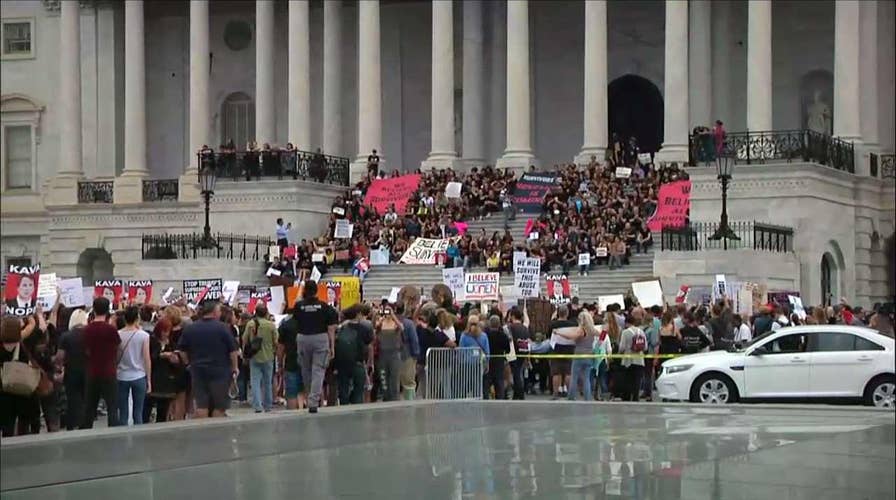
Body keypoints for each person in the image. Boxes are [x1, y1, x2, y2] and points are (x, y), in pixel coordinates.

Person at [176, 300, 240, 419]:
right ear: (215, 312)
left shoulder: (191, 328)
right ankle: (215, 432)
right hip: (220, 371)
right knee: (219, 406)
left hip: (198, 370)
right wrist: (235, 367)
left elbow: (181, 350)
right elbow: (233, 351)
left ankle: (202, 432)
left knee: (201, 405)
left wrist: (188, 363)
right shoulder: (223, 328)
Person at [292, 281, 339, 413]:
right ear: (317, 291)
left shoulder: (299, 306)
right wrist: (332, 346)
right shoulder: (324, 307)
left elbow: (294, 314)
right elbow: (331, 328)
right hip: (320, 338)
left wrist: (300, 292)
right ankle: (313, 401)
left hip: (302, 337)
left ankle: (308, 396)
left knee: (305, 370)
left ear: (305, 290)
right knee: (318, 370)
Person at [81, 297, 121, 428]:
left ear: (93, 309)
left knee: (89, 408)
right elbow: (118, 349)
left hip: (92, 371)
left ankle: (86, 432)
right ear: (107, 309)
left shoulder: (87, 329)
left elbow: (85, 350)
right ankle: (113, 434)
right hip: (109, 371)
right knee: (112, 407)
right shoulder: (111, 329)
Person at [0, 316, 41, 437]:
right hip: (24, 388)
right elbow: (36, 328)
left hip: (4, 390)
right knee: (25, 421)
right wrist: (30, 318)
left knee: (7, 424)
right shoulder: (25, 341)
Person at [115, 306, 151, 425]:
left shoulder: (118, 334)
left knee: (123, 411)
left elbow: (116, 356)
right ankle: (138, 437)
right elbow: (146, 358)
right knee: (138, 411)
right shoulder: (144, 335)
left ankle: (123, 434)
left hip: (121, 375)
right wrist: (149, 380)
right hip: (139, 375)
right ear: (137, 318)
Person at [334, 304, 373, 405]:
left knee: (343, 388)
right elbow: (369, 345)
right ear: (358, 314)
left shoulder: (340, 328)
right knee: (358, 390)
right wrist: (369, 362)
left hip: (342, 363)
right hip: (358, 362)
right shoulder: (365, 328)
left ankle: (344, 407)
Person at [56, 309, 88, 430]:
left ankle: (71, 424)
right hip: (88, 371)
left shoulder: (66, 336)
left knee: (72, 399)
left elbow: (60, 356)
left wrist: (58, 367)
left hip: (71, 371)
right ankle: (84, 424)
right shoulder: (89, 334)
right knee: (86, 399)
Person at [243, 304, 278, 413]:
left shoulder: (250, 324)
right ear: (266, 313)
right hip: (268, 356)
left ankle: (257, 406)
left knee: (255, 381)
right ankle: (268, 405)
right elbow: (276, 341)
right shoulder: (271, 325)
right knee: (268, 382)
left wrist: (245, 355)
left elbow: (245, 340)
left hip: (254, 356)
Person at [144, 319, 179, 423]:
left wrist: (175, 359)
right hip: (154, 376)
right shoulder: (152, 341)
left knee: (163, 410)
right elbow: (149, 357)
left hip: (167, 379)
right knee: (147, 407)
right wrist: (161, 355)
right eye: (164, 331)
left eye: (168, 331)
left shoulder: (172, 343)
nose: (166, 334)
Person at [375, 304, 405, 402]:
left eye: (389, 310)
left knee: (394, 378)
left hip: (394, 354)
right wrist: (379, 317)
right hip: (383, 354)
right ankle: (385, 397)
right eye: (386, 311)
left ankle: (394, 398)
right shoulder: (381, 322)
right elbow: (375, 328)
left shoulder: (395, 323)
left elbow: (401, 328)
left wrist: (393, 316)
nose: (387, 312)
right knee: (384, 378)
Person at [567, 310, 598, 401]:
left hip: (579, 354)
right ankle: (587, 398)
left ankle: (571, 397)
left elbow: (573, 337)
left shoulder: (581, 330)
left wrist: (559, 333)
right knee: (586, 378)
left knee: (574, 377)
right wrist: (598, 345)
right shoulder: (592, 330)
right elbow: (601, 335)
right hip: (589, 355)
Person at [549, 305, 578, 399]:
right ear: (567, 313)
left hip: (556, 349)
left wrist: (553, 318)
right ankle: (570, 393)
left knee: (556, 372)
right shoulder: (573, 324)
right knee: (568, 372)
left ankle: (555, 394)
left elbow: (548, 334)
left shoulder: (553, 324)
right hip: (569, 349)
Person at [458, 315, 490, 399]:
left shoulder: (464, 335)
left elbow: (461, 350)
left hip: (466, 363)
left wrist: (460, 361)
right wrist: (487, 363)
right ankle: (478, 399)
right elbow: (487, 351)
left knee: (465, 383)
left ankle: (464, 399)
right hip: (479, 363)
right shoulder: (483, 336)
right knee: (477, 384)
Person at [618, 314, 647, 402]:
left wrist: (620, 353)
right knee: (637, 381)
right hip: (639, 360)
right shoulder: (641, 332)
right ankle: (635, 397)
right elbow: (645, 347)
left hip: (628, 361)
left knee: (628, 381)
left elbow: (622, 347)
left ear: (626, 323)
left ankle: (627, 398)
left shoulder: (625, 332)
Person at [505, 306, 530, 400]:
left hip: (513, 352)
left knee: (516, 374)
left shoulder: (511, 327)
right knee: (519, 372)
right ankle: (517, 394)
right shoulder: (524, 327)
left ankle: (520, 394)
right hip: (523, 351)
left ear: (513, 316)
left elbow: (509, 339)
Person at [484, 315, 510, 400]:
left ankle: (485, 398)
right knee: (499, 381)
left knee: (487, 380)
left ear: (490, 324)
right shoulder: (503, 335)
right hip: (499, 360)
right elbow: (508, 349)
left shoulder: (485, 335)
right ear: (499, 324)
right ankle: (500, 399)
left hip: (488, 359)